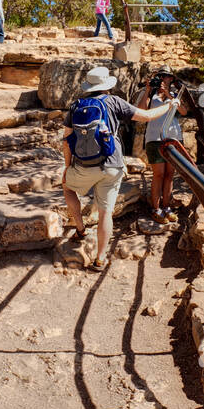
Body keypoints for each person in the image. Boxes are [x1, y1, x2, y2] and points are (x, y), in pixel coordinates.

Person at [60, 67, 174, 268]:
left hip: (83, 165)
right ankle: (100, 258)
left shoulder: (76, 106)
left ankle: (80, 228)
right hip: (111, 165)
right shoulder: (113, 102)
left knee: (68, 188)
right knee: (105, 212)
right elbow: (146, 116)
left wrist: (67, 167)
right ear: (107, 86)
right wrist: (170, 105)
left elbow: (67, 141)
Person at [137, 73, 187, 232]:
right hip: (154, 138)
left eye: (166, 76)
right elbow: (141, 111)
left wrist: (167, 93)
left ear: (171, 79)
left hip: (173, 138)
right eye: (161, 76)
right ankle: (156, 208)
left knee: (169, 174)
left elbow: (183, 111)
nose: (163, 79)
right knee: (158, 174)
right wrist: (147, 90)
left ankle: (167, 207)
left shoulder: (174, 95)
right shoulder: (151, 95)